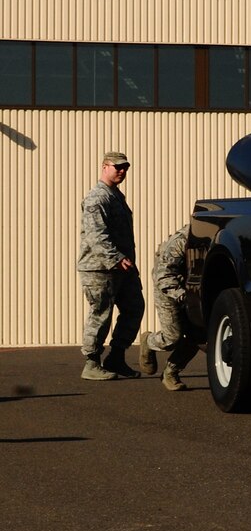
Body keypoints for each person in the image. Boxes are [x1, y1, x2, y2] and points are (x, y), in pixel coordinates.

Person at [78, 150, 143, 381]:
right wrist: (115, 258)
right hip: (100, 268)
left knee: (134, 307)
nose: (122, 171)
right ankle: (91, 363)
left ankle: (116, 358)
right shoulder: (97, 197)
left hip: (122, 268)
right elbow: (96, 234)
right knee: (101, 313)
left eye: (125, 167)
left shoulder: (115, 196)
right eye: (118, 167)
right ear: (105, 167)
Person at [134, 224, 201, 390]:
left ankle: (171, 373)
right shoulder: (181, 242)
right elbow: (163, 275)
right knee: (173, 337)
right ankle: (149, 341)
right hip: (168, 291)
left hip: (193, 294)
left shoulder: (215, 239)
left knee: (198, 337)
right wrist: (182, 295)